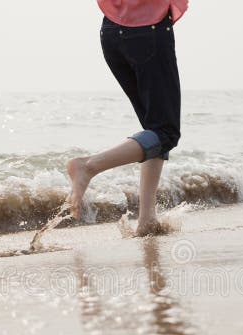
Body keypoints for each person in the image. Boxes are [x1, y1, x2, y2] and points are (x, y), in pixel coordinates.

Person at [67, 0, 187, 235]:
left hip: (111, 32)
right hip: (148, 32)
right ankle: (88, 166)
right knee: (165, 132)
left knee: (153, 129)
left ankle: (147, 219)